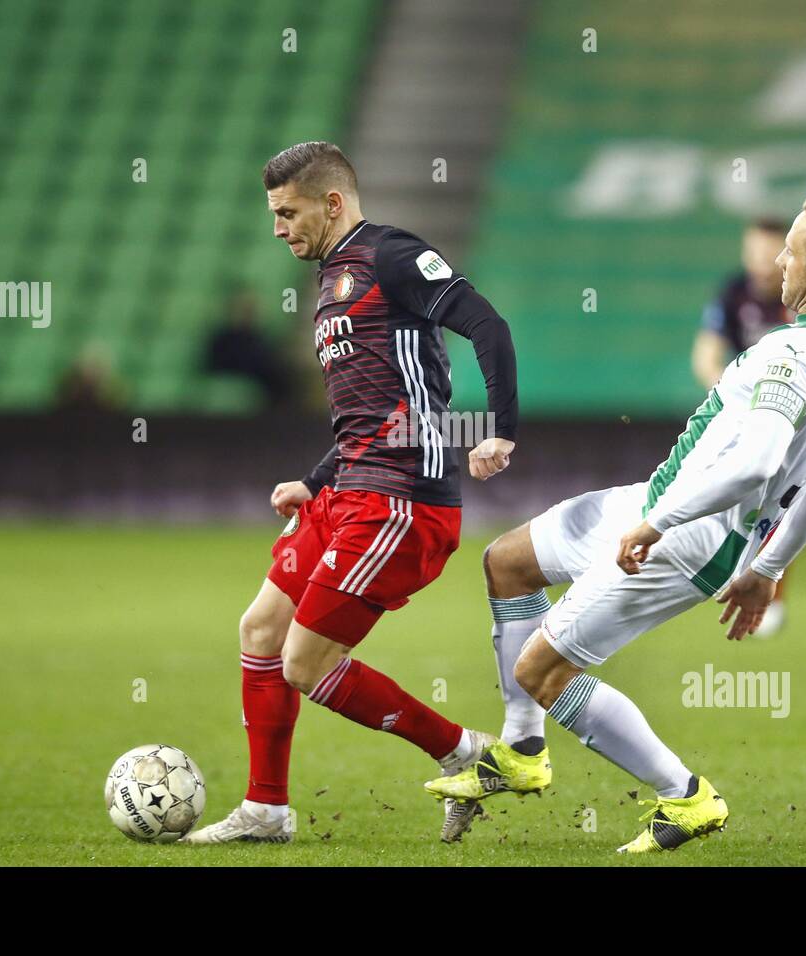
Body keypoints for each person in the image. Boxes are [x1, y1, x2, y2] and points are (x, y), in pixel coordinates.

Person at [427, 191, 806, 855]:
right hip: (662, 505)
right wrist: (767, 569)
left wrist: (659, 524)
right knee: (507, 561)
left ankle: (685, 794)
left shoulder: (794, 352)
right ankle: (523, 747)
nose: (778, 260)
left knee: (543, 672)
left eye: (792, 248)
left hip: (684, 534)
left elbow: (757, 465)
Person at [186, 141, 541, 845]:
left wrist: (499, 428)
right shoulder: (332, 280)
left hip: (402, 500)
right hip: (350, 489)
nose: (278, 227)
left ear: (333, 203)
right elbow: (374, 411)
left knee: (303, 662)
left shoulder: (391, 255)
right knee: (260, 629)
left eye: (287, 213)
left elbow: (486, 325)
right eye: (274, 214)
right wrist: (314, 481)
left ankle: (466, 752)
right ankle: (266, 810)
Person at [692, 219, 806, 637]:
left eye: (771, 251)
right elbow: (706, 356)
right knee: (775, 505)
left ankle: (768, 596)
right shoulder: (732, 293)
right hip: (758, 412)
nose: (762, 261)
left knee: (781, 503)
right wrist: (731, 397)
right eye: (753, 251)